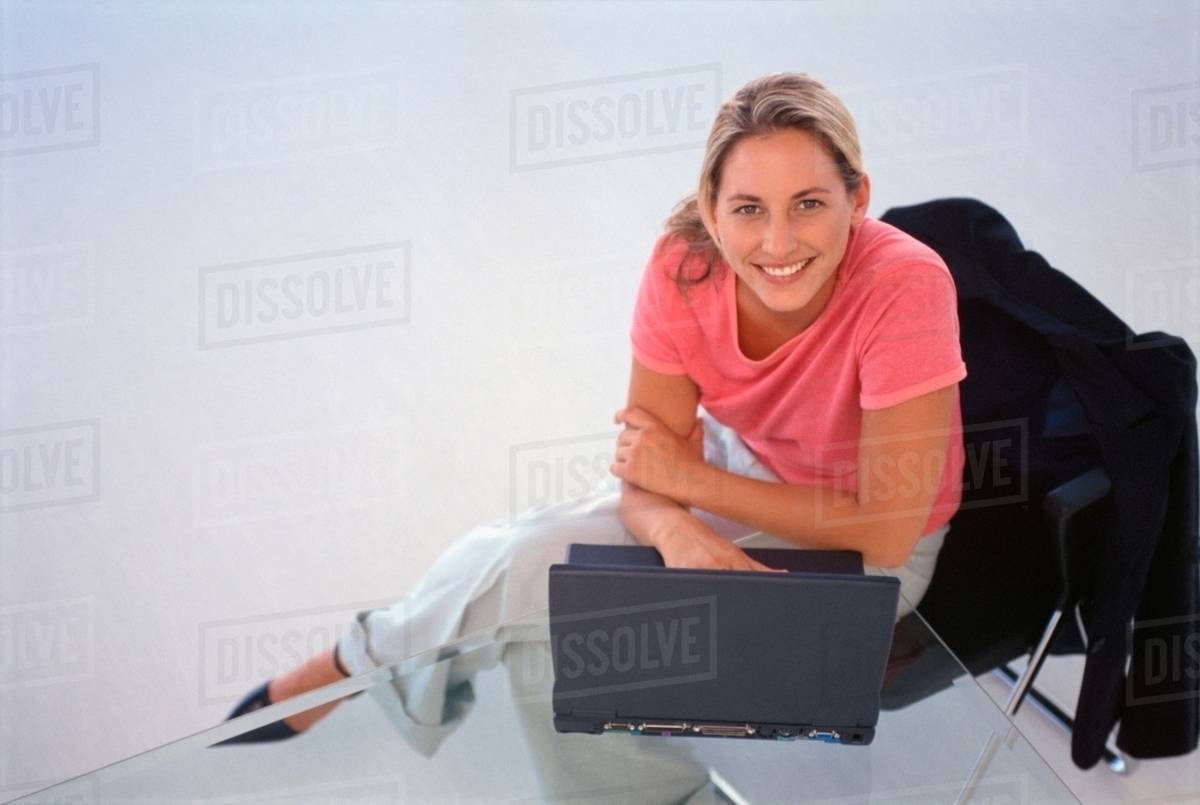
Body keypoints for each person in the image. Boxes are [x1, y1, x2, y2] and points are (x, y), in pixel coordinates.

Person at [221, 71, 967, 801]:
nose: (777, 242)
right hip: (751, 473)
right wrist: (675, 528)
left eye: (808, 204)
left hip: (869, 549)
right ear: (710, 208)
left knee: (554, 641)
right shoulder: (685, 266)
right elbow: (646, 473)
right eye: (747, 208)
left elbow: (886, 528)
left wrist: (694, 484)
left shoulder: (906, 285)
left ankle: (368, 666)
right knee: (523, 560)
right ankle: (359, 658)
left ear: (857, 198)